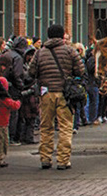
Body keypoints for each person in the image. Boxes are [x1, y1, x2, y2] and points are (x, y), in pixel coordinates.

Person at [25, 23, 85, 170]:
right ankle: (63, 160)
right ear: (62, 35)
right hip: (64, 94)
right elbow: (80, 71)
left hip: (45, 93)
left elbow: (31, 73)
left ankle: (45, 158)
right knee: (65, 127)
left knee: (46, 127)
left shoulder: (40, 52)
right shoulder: (70, 51)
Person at [0, 35, 28, 143]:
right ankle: (12, 136)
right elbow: (17, 74)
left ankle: (6, 136)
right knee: (14, 113)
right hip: (14, 88)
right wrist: (21, 87)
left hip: (4, 86)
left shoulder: (6, 54)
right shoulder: (18, 58)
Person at [0, 75, 20, 168]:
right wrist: (19, 101)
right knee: (2, 142)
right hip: (3, 124)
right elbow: (15, 106)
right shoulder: (6, 100)